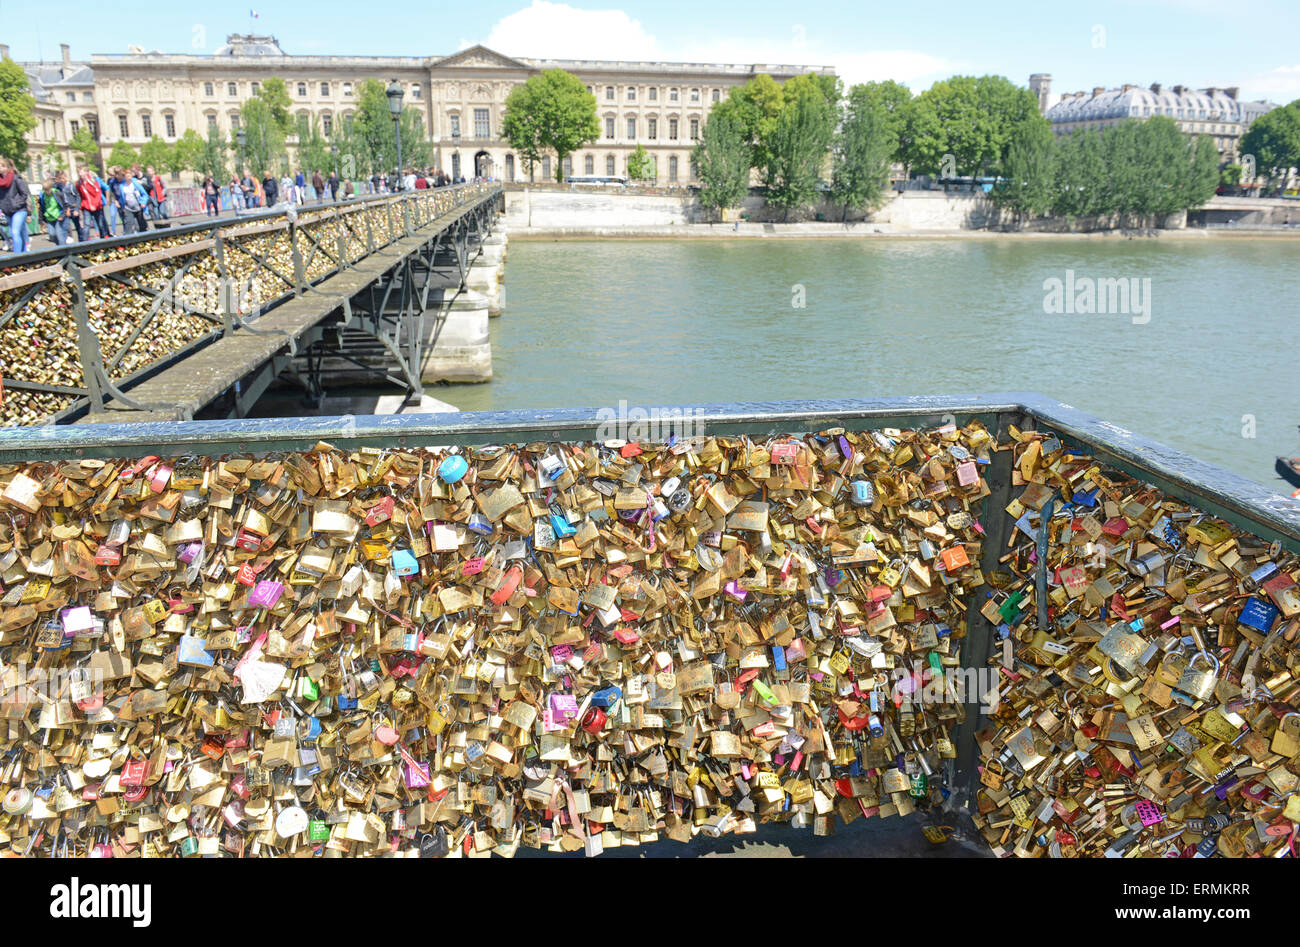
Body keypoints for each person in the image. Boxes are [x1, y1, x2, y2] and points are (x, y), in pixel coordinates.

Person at [0, 157, 32, 254]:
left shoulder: (15, 178)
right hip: (7, 211)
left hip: (19, 210)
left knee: (14, 232)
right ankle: (24, 253)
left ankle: (16, 256)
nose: (0, 168)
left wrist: (17, 205)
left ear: (7, 167)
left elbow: (24, 194)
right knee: (20, 233)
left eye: (2, 166)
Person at [77, 166, 108, 240]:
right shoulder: (79, 184)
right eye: (79, 172)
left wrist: (95, 204)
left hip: (96, 206)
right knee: (86, 224)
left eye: (81, 172)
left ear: (86, 172)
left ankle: (104, 237)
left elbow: (98, 194)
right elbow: (80, 195)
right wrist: (82, 206)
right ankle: (85, 240)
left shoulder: (92, 181)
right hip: (86, 206)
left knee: (100, 224)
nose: (80, 174)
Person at [38, 178, 70, 246]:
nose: (47, 192)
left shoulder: (57, 193)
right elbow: (41, 208)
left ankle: (63, 249)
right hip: (49, 218)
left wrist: (62, 215)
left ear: (51, 188)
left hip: (58, 217)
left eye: (48, 190)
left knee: (59, 234)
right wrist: (41, 220)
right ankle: (59, 246)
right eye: (45, 190)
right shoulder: (43, 196)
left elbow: (65, 205)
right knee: (52, 235)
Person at [57, 170, 83, 242]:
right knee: (65, 226)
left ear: (66, 177)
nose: (61, 180)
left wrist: (77, 209)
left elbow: (78, 196)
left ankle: (82, 241)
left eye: (63, 178)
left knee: (78, 226)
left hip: (73, 208)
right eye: (60, 179)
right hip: (66, 209)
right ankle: (68, 240)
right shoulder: (60, 187)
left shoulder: (71, 186)